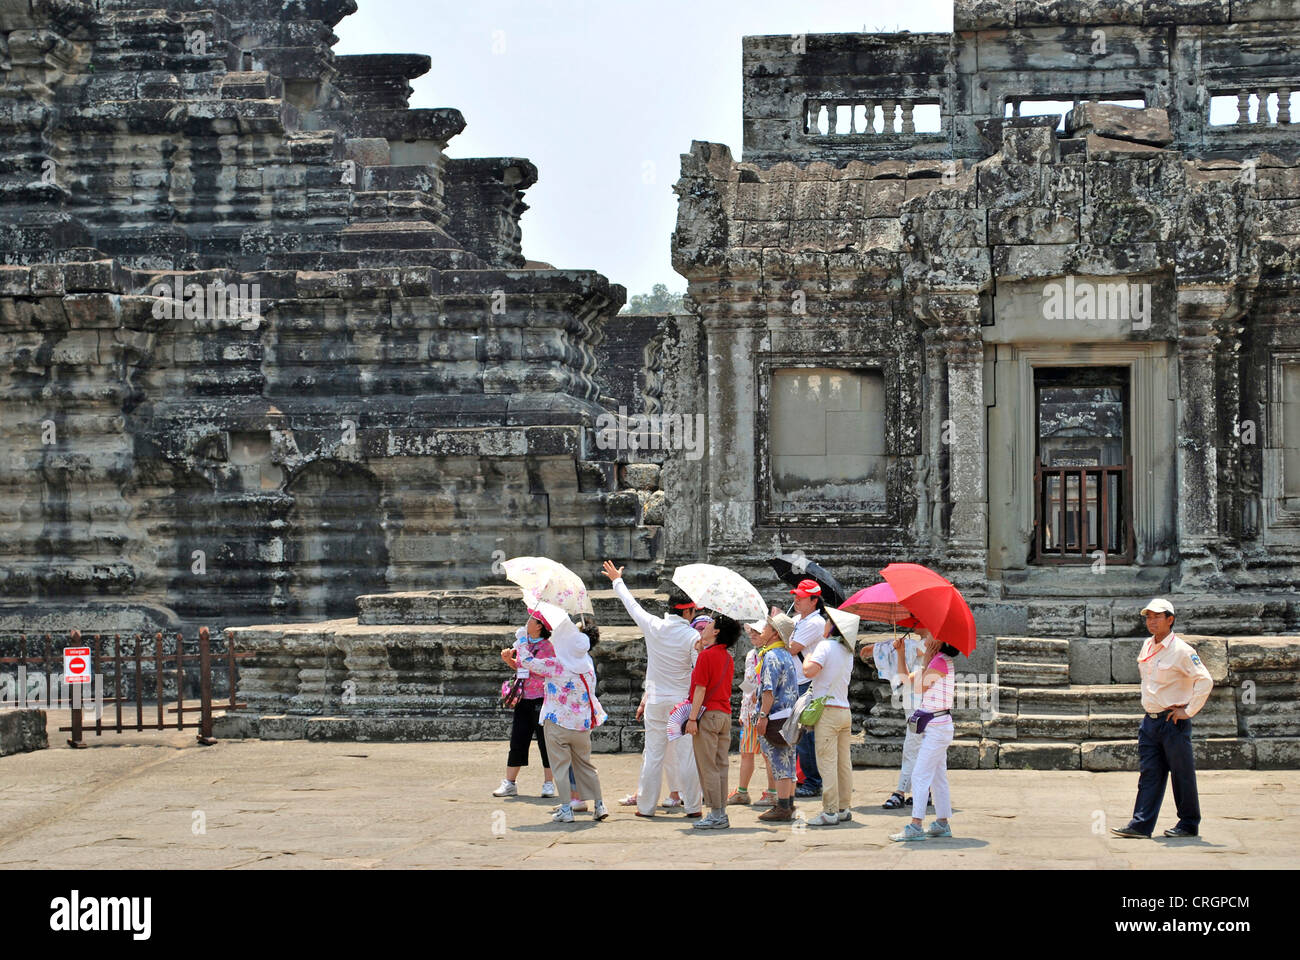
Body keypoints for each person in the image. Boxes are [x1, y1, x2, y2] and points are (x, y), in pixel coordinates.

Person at [602, 561, 704, 820]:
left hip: (656, 701)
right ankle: (693, 806)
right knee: (685, 756)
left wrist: (617, 580)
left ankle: (646, 807)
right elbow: (697, 673)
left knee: (653, 756)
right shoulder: (692, 638)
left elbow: (631, 605)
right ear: (689, 612)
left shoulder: (654, 626)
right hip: (680, 703)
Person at [1111, 598, 1213, 840]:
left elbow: (1205, 680)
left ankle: (1188, 823)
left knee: (1181, 773)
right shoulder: (1148, 644)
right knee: (1149, 773)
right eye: (1148, 617)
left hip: (1172, 721)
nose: (1151, 621)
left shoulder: (1182, 650)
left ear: (1170, 619)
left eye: (1157, 617)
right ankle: (1141, 825)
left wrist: (1187, 711)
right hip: (1150, 721)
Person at [518, 605, 610, 824]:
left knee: (560, 766)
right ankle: (599, 804)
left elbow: (526, 662)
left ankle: (567, 808)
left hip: (558, 723)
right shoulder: (588, 666)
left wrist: (522, 638)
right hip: (582, 724)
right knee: (586, 765)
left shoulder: (557, 665)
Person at [890, 630, 961, 841]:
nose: (927, 638)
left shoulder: (939, 661)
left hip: (938, 727)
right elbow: (905, 679)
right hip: (935, 726)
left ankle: (916, 825)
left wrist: (927, 660)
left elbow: (920, 687)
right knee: (938, 777)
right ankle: (942, 822)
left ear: (939, 641)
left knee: (920, 775)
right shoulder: (935, 661)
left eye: (931, 635)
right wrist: (901, 654)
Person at [802, 606, 858, 825]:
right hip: (844, 710)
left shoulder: (824, 647)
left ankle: (830, 811)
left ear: (832, 627)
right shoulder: (847, 651)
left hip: (827, 711)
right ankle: (843, 807)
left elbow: (809, 672)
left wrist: (807, 658)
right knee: (843, 763)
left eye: (827, 622)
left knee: (826, 762)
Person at [493, 611, 557, 799]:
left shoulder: (547, 647)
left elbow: (536, 667)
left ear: (539, 626)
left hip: (541, 699)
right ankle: (510, 783)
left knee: (545, 742)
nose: (527, 623)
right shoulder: (524, 644)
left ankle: (548, 783)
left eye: (532, 620)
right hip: (523, 698)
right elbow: (522, 667)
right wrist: (508, 660)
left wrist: (522, 648)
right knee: (518, 740)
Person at [685, 613, 739, 829]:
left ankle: (716, 813)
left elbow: (700, 688)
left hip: (707, 715)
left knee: (707, 766)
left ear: (716, 632)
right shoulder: (726, 656)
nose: (706, 627)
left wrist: (691, 718)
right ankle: (720, 812)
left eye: (711, 625)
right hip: (724, 714)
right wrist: (701, 653)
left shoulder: (707, 656)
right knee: (720, 765)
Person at [866, 630, 929, 810]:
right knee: (922, 751)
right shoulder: (923, 644)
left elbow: (905, 677)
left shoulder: (929, 645)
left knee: (911, 750)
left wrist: (896, 649)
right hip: (916, 703)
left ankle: (900, 792)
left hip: (921, 707)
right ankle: (926, 791)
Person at [754, 612, 800, 822]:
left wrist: (763, 716)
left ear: (774, 633)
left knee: (779, 761)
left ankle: (782, 806)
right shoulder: (785, 655)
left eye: (767, 627)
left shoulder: (771, 657)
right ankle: (788, 802)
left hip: (775, 717)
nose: (763, 630)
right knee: (788, 760)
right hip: (788, 716)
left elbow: (768, 691)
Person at [727, 621, 779, 807]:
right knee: (746, 752)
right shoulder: (751, 655)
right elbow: (747, 681)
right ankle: (742, 791)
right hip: (750, 711)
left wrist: (759, 697)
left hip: (765, 711)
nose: (753, 635)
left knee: (768, 754)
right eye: (751, 632)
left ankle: (772, 792)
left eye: (757, 632)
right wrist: (744, 707)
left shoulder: (773, 655)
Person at [788, 579, 826, 798]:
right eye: (796, 596)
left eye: (801, 598)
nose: (797, 600)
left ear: (814, 601)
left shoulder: (815, 623)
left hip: (806, 682)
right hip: (795, 680)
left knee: (805, 733)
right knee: (796, 732)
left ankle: (812, 780)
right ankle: (803, 777)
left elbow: (792, 648)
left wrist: (778, 629)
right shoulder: (796, 620)